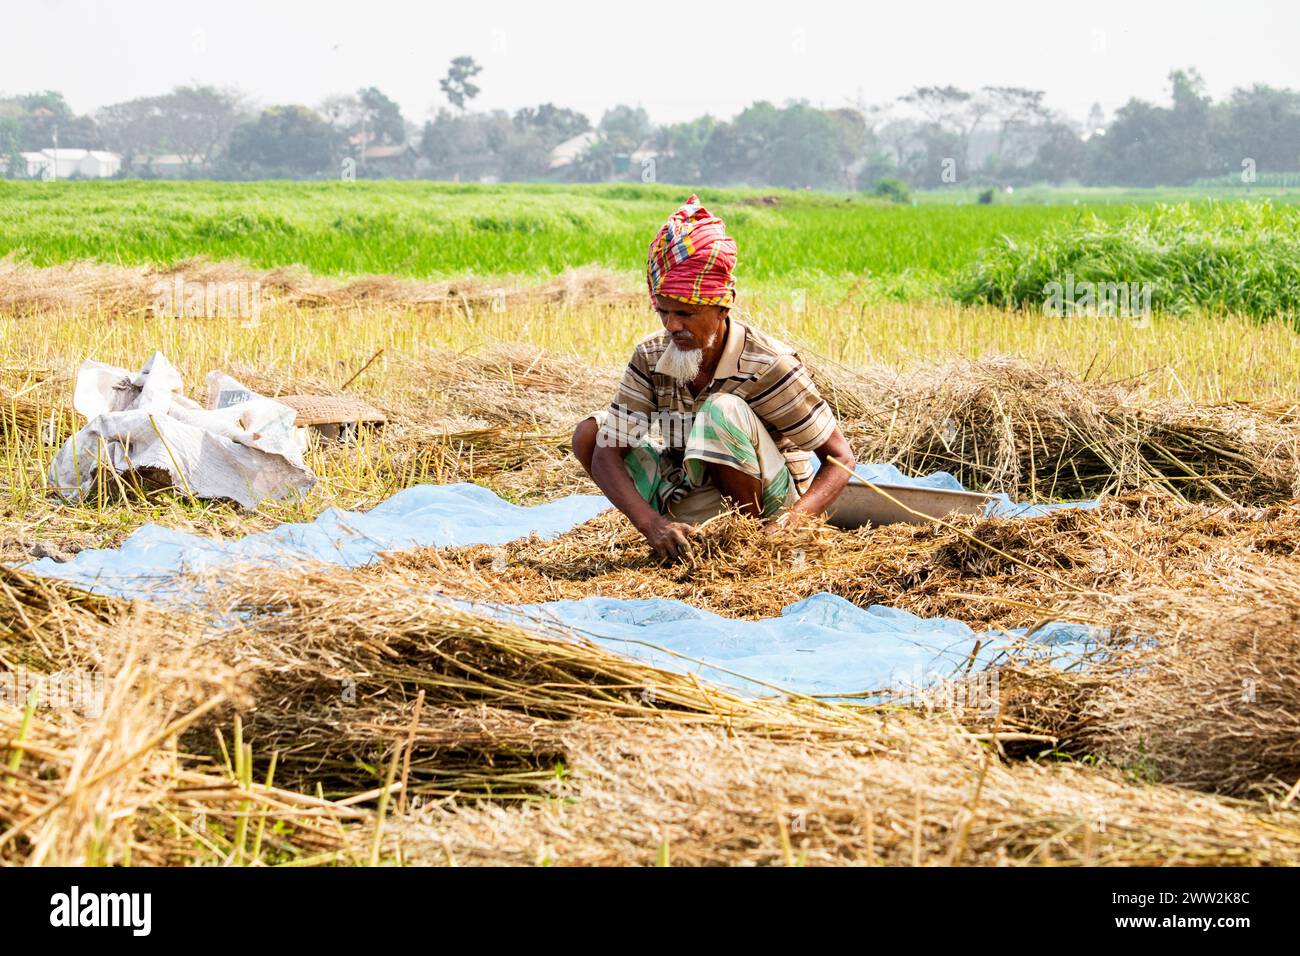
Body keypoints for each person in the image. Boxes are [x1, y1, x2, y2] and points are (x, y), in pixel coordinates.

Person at [572, 194, 856, 560]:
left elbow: (840, 458)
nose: (673, 325)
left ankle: (745, 547)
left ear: (723, 306)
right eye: (664, 312)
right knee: (593, 432)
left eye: (686, 314)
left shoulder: (769, 363)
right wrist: (652, 526)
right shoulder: (651, 355)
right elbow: (607, 454)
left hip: (769, 507)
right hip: (693, 494)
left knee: (720, 411)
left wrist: (790, 524)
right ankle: (683, 537)